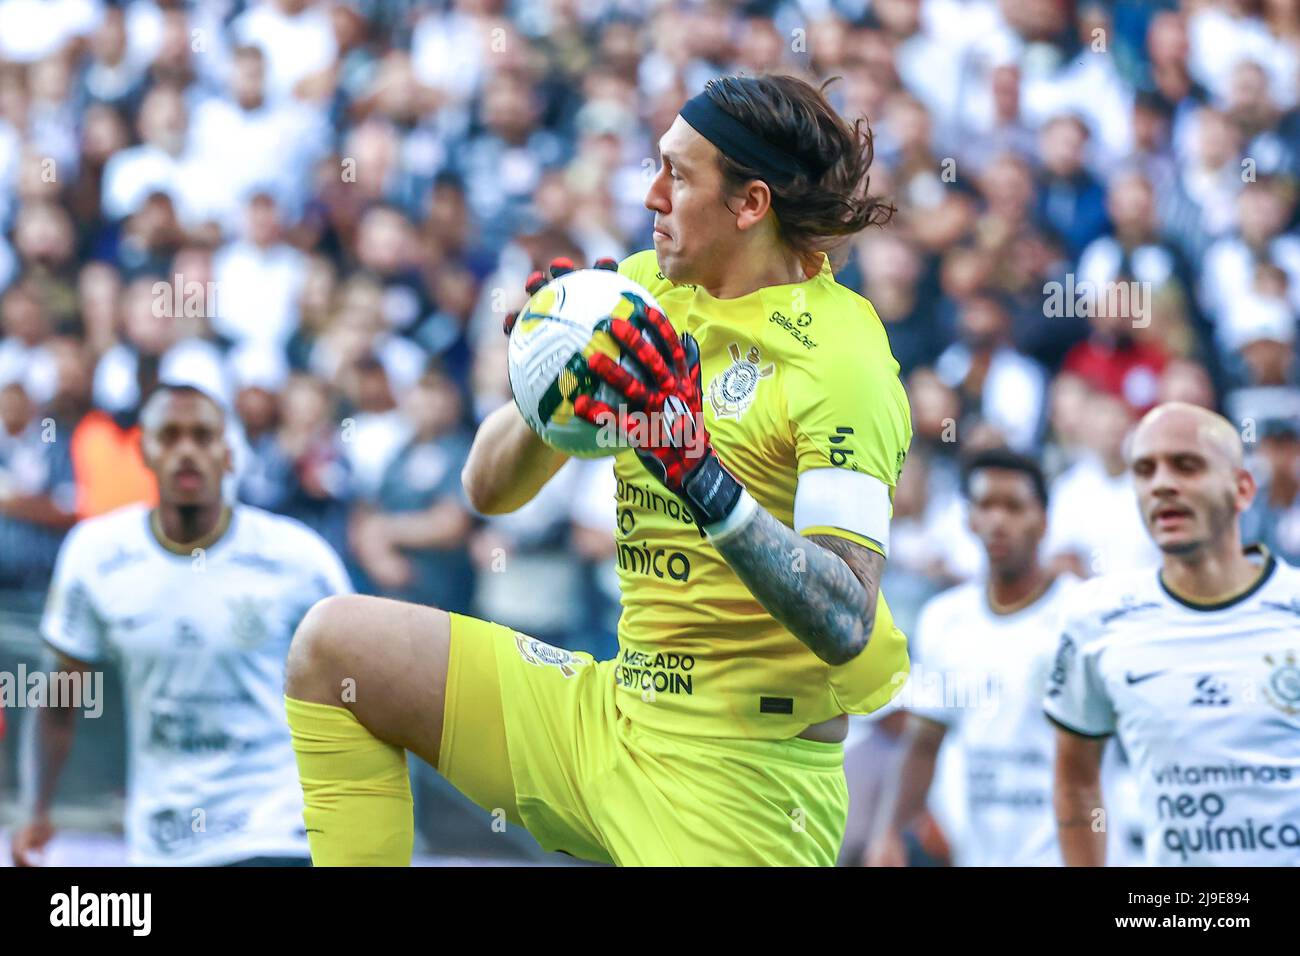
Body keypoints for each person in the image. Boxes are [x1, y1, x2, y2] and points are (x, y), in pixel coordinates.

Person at [283, 73, 913, 866]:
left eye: (678, 175)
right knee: (334, 648)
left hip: (742, 784)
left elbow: (847, 619)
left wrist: (701, 476)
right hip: (607, 717)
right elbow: (486, 489)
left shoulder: (843, 360)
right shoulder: (639, 294)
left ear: (750, 204)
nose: (650, 194)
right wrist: (547, 380)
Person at [12, 384, 351, 867]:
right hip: (162, 842)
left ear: (229, 456)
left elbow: (356, 693)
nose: (186, 451)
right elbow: (58, 701)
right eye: (169, 437)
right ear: (144, 453)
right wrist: (35, 811)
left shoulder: (298, 559)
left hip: (276, 833)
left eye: (203, 436)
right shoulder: (95, 556)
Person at [1048, 401, 1300, 866]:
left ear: (1243, 489)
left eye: (1187, 466)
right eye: (1144, 470)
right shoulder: (1096, 616)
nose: (1162, 483)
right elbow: (1076, 778)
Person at [868, 449, 1080, 865]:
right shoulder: (945, 619)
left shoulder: (1081, 613)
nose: (998, 521)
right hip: (982, 854)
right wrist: (888, 832)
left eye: (1014, 506)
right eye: (985, 505)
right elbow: (924, 740)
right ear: (968, 519)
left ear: (1044, 520)